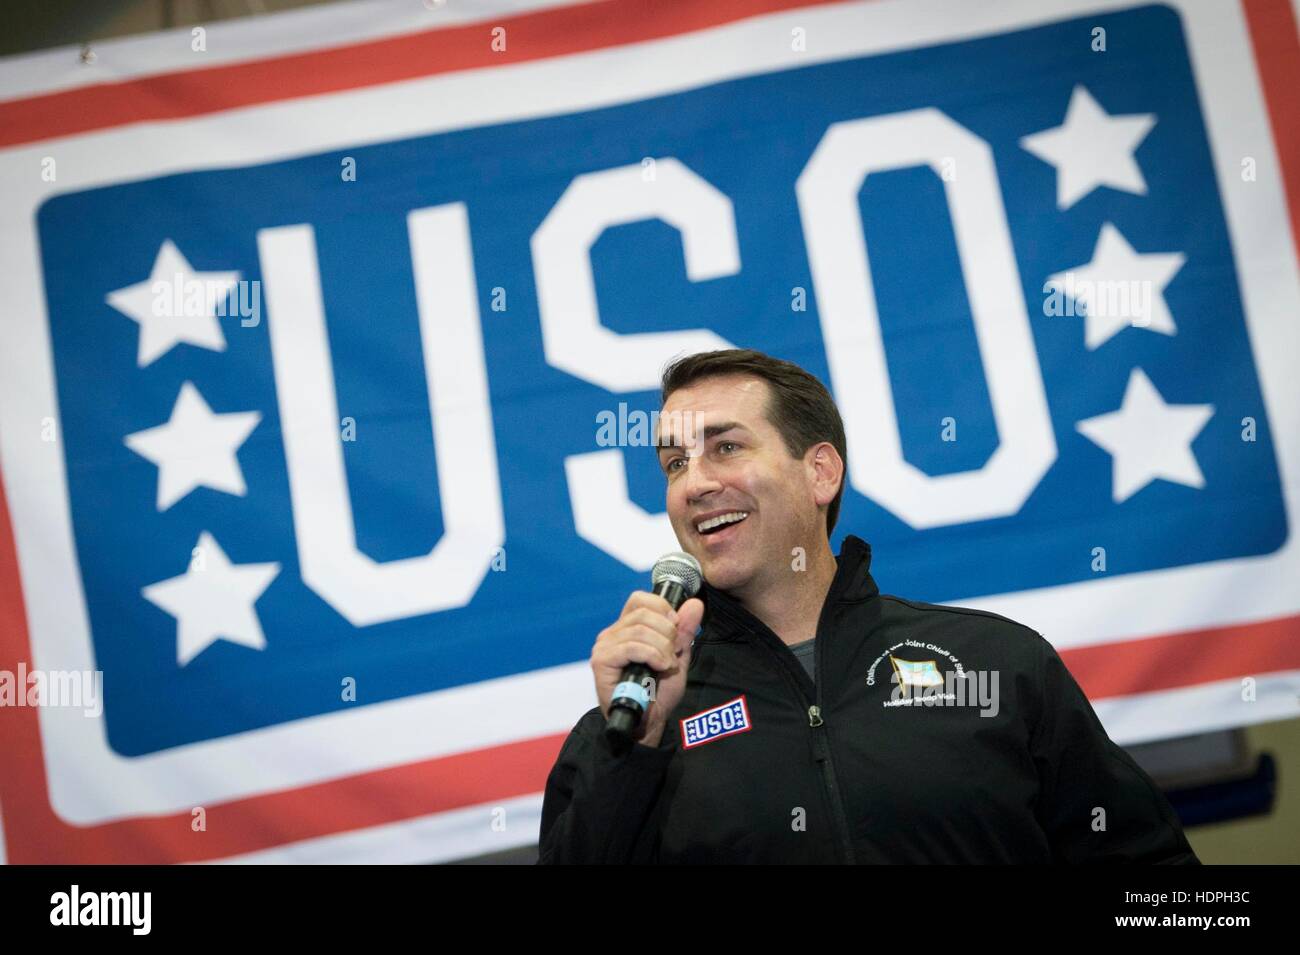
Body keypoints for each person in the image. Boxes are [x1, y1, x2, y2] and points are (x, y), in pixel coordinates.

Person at [537, 348, 1199, 864]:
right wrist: (631, 756)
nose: (696, 483)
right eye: (674, 463)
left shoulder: (996, 665)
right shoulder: (630, 726)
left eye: (726, 447)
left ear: (820, 471)